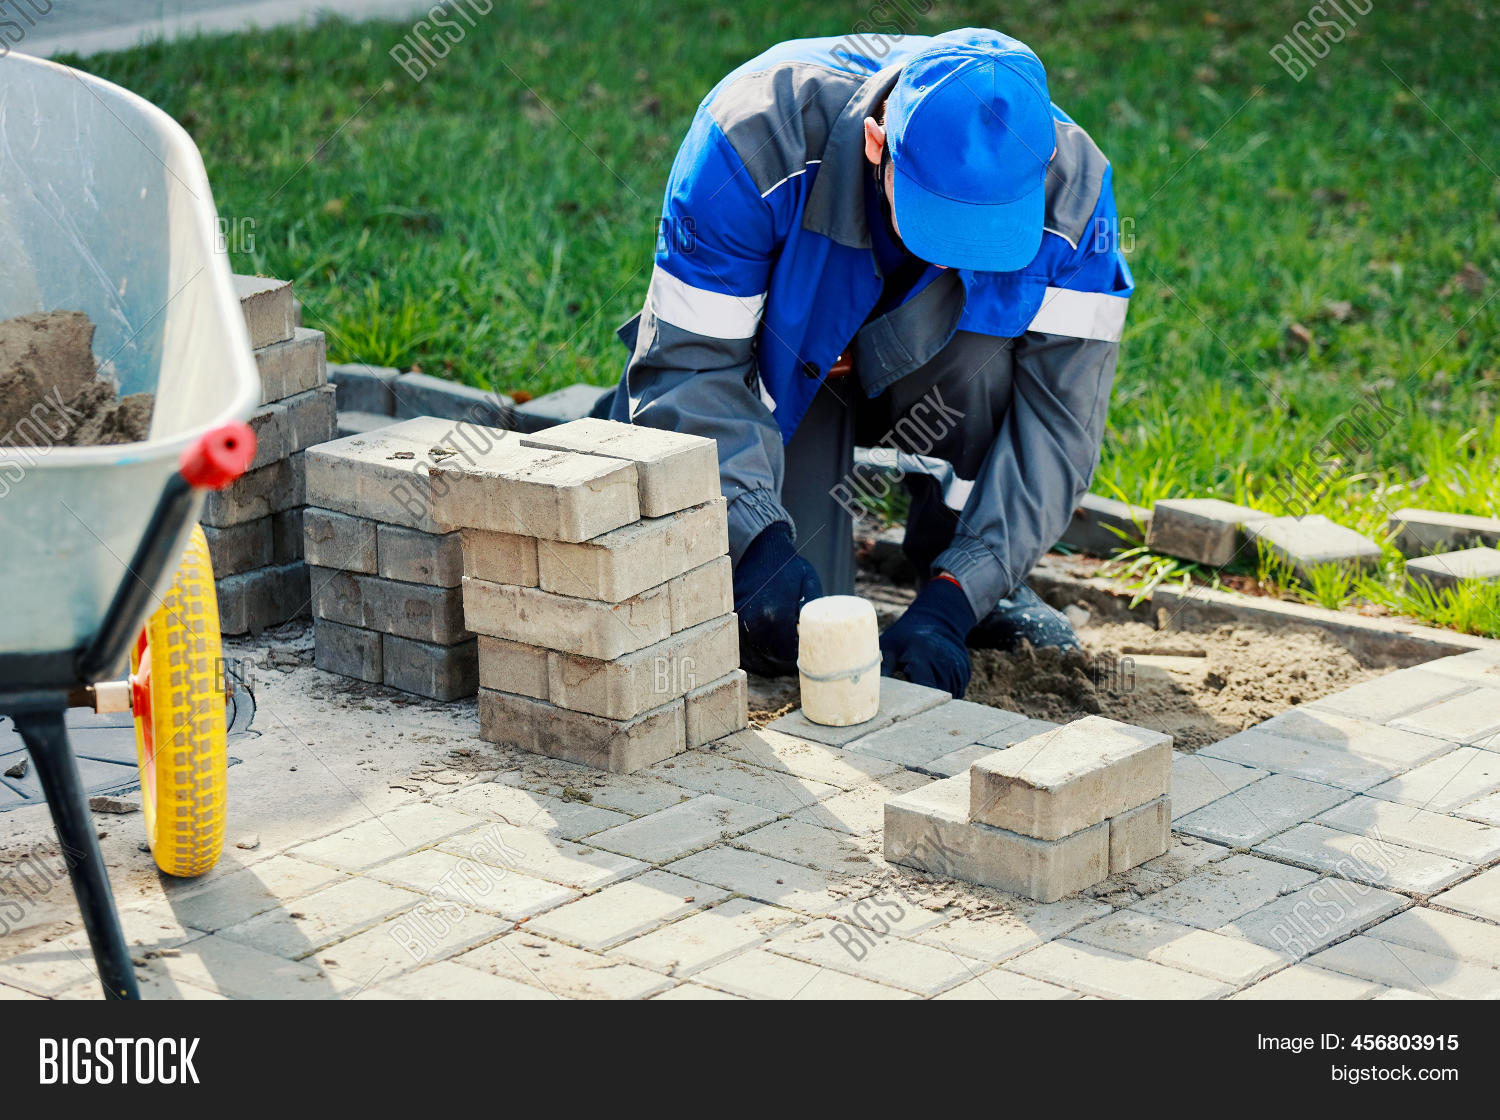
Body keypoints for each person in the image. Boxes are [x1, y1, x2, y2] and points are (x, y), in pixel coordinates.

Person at [603, 28, 1132, 697]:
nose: (952, 253)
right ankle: (631, 436)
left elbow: (1060, 424)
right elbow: (692, 363)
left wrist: (956, 596)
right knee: (774, 607)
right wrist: (756, 547)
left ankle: (970, 573)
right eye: (935, 221)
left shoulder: (1076, 194)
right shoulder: (751, 138)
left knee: (982, 362)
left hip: (932, 380)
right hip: (781, 378)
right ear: (876, 142)